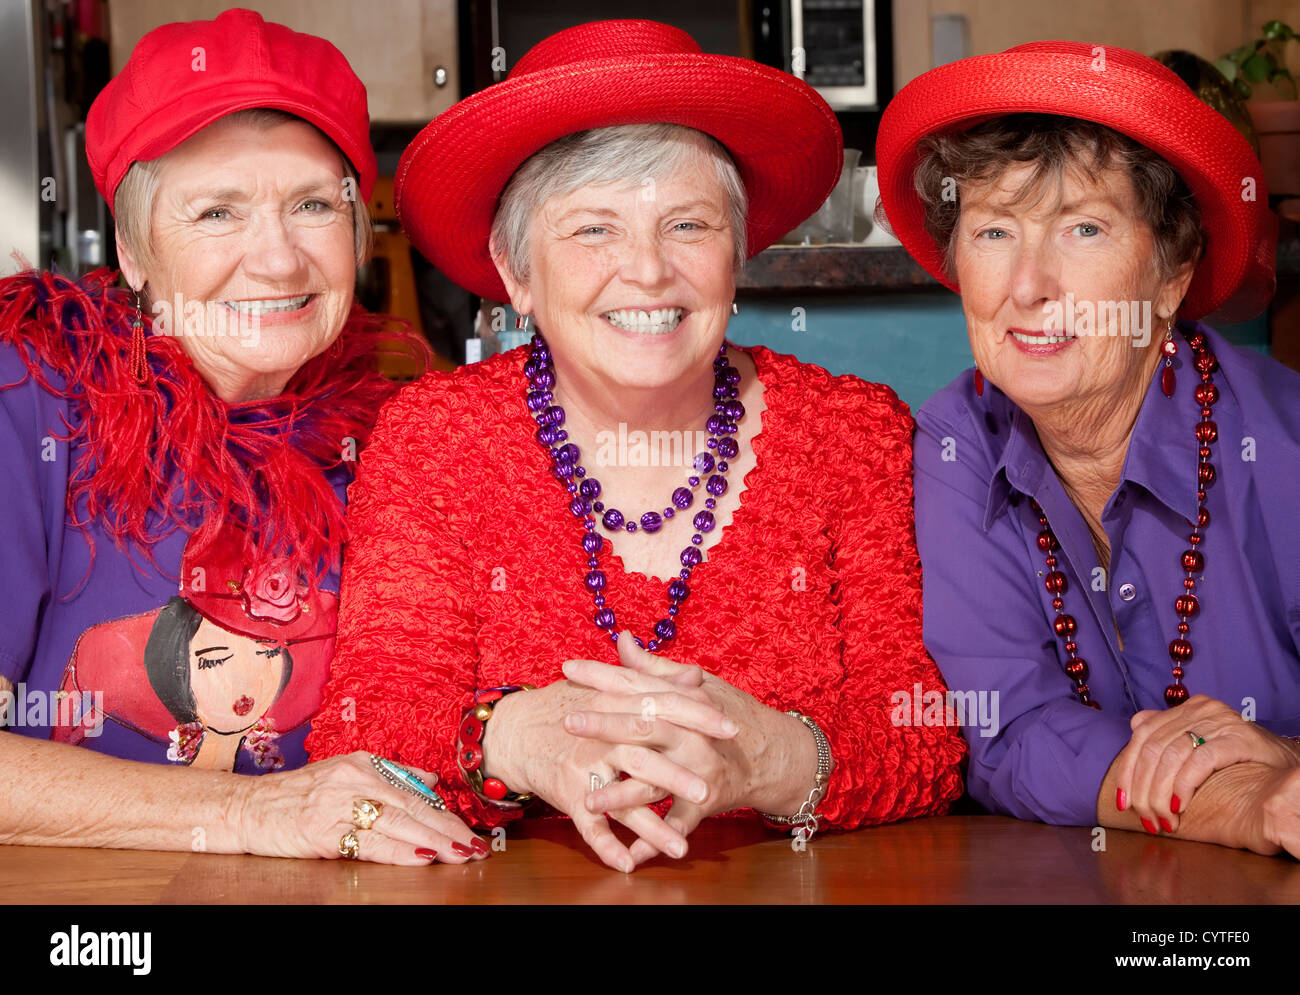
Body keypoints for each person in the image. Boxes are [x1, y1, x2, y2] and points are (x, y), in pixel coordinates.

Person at [307, 19, 968, 873]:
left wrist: (763, 757)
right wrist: (512, 737)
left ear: (738, 250)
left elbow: (922, 737)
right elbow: (362, 726)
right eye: (593, 230)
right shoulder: (435, 437)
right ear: (516, 273)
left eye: (688, 226)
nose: (649, 272)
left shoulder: (854, 432)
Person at [0, 8, 486, 866]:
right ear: (133, 248)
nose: (277, 260)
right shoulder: (29, 398)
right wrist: (248, 813)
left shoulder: (409, 439)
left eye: (311, 206)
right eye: (218, 212)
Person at [876, 41, 1300, 857]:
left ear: (1171, 272)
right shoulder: (952, 445)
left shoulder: (1281, 449)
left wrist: (1285, 757)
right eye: (995, 230)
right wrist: (1238, 798)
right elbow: (1005, 730)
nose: (1028, 285)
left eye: (1083, 227)